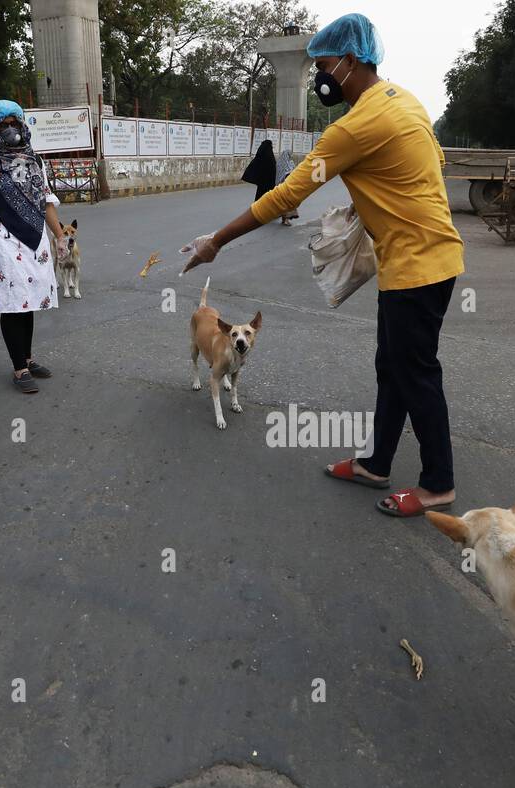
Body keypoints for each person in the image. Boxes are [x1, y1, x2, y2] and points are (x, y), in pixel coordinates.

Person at [180, 13, 465, 517]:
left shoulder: (356, 125)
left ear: (352, 61)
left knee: (416, 372)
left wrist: (216, 241)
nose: (320, 77)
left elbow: (287, 193)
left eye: (325, 65)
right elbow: (430, 162)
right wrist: (376, 198)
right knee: (393, 367)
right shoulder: (406, 101)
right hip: (428, 257)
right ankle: (376, 463)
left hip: (417, 264)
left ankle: (437, 484)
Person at [0, 100, 70, 394]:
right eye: (4, 125)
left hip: (35, 240)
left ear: (23, 124)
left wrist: (59, 235)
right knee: (13, 305)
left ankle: (27, 357)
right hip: (4, 240)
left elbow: (46, 201)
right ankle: (19, 368)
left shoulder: (35, 161)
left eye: (15, 122)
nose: (11, 129)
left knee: (30, 302)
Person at [274, 148, 300, 225]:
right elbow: (292, 173)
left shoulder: (279, 163)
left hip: (279, 186)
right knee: (287, 203)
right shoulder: (289, 164)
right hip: (287, 187)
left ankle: (283, 218)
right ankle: (285, 220)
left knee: (282, 203)